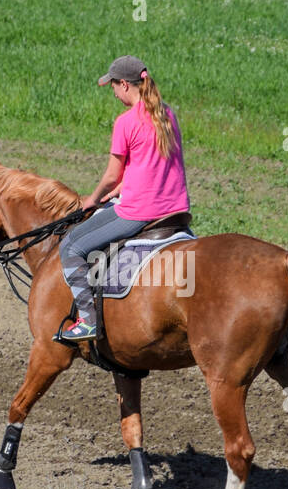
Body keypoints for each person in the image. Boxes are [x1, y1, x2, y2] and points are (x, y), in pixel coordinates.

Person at [57, 55, 189, 342]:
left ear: (124, 85)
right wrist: (126, 184)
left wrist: (92, 199)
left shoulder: (126, 122)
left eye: (113, 87)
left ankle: (88, 321)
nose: (114, 93)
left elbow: (110, 176)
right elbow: (154, 162)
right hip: (176, 210)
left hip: (141, 210)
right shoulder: (167, 114)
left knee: (70, 246)